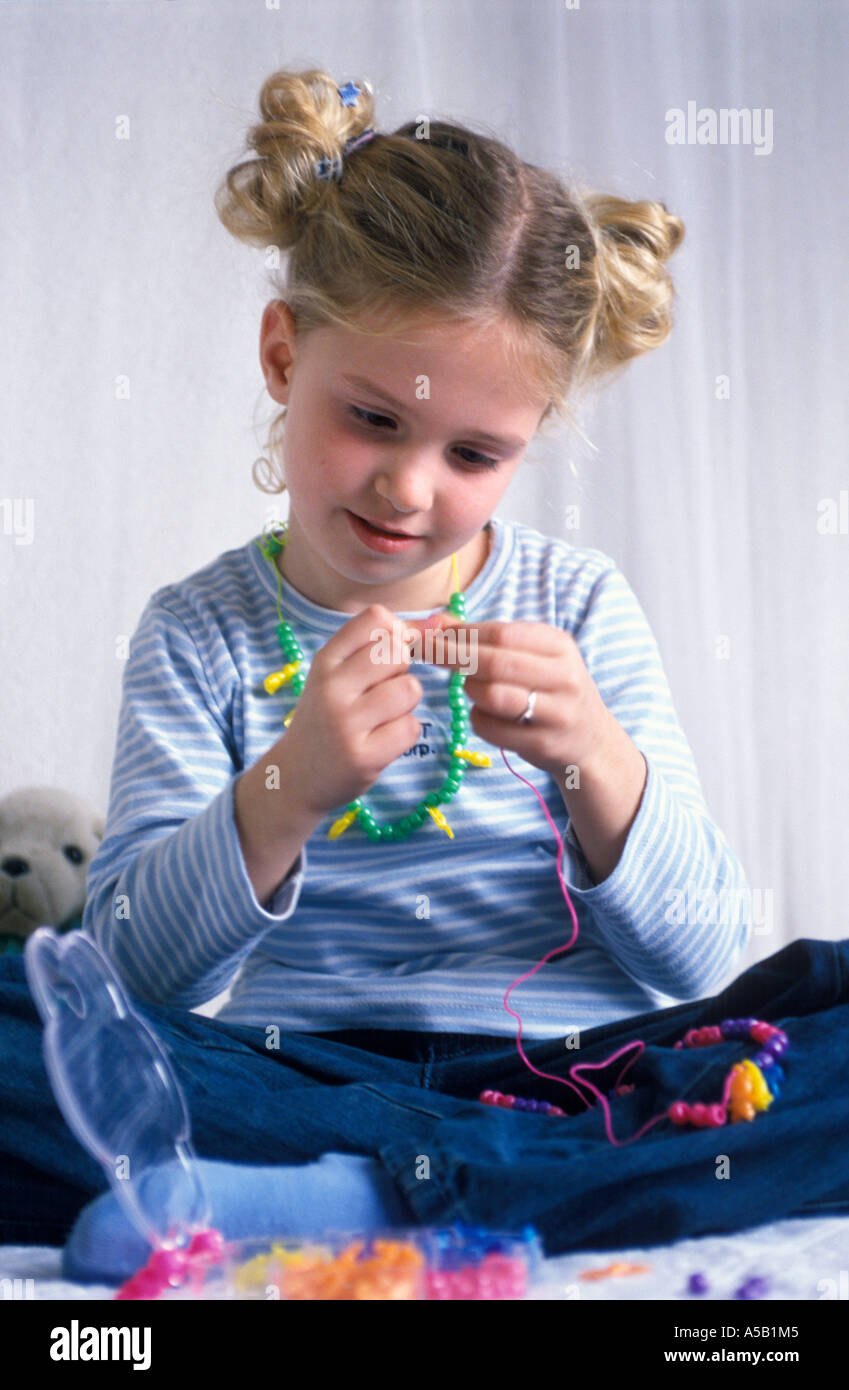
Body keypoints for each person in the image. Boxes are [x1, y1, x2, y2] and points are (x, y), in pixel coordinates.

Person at [1, 69, 765, 1279]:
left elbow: (709, 956)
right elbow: (130, 970)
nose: (409, 489)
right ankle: (399, 1181)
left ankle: (335, 1198)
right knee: (20, 1015)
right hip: (291, 1080)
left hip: (566, 1087)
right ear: (280, 354)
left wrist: (601, 766)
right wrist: (285, 792)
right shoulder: (198, 632)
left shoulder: (578, 606)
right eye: (372, 417)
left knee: (821, 1006)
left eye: (474, 452)